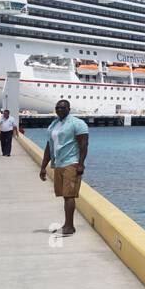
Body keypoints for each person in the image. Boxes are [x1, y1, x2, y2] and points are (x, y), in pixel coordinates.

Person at [39, 99, 88, 236]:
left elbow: (83, 145)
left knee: (69, 195)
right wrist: (43, 166)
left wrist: (81, 163)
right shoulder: (54, 124)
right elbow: (50, 146)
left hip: (71, 163)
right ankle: (67, 224)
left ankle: (69, 226)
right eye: (57, 108)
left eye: (62, 108)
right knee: (64, 195)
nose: (59, 110)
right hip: (58, 163)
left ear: (69, 109)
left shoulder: (77, 124)